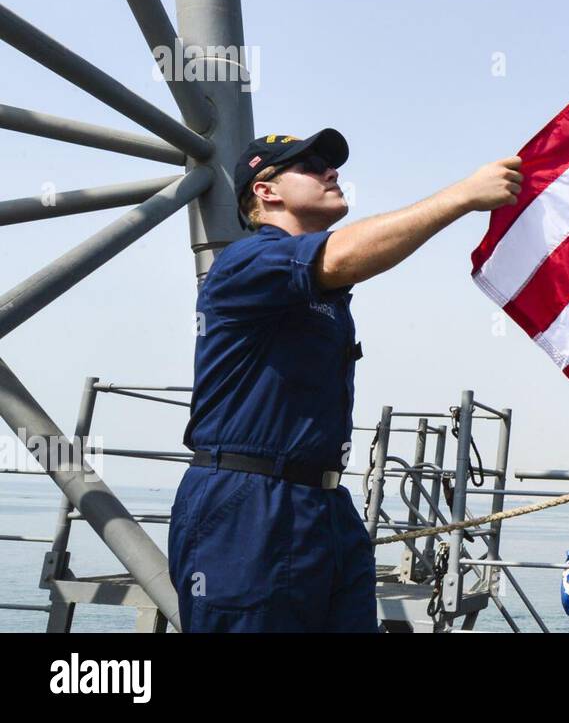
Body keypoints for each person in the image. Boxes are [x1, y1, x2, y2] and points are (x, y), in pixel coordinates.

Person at [167, 128, 522, 632]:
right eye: (310, 167)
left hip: (324, 504)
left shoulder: (322, 290)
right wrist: (462, 196)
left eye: (329, 166)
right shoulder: (246, 262)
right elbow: (340, 255)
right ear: (265, 191)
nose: (332, 173)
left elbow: (341, 261)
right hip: (248, 508)